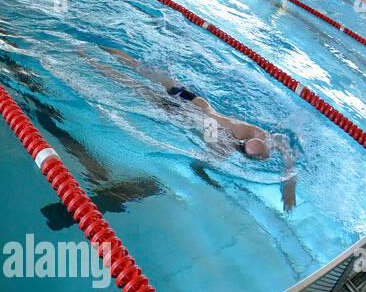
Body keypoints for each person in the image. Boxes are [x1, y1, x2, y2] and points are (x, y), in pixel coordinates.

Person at [96, 46, 297, 210]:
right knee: (130, 84)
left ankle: (97, 49)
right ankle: (91, 60)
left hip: (192, 98)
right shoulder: (223, 148)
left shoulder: (253, 131)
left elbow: (282, 147)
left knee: (139, 68)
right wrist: (212, 183)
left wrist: (290, 183)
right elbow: (196, 167)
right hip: (179, 111)